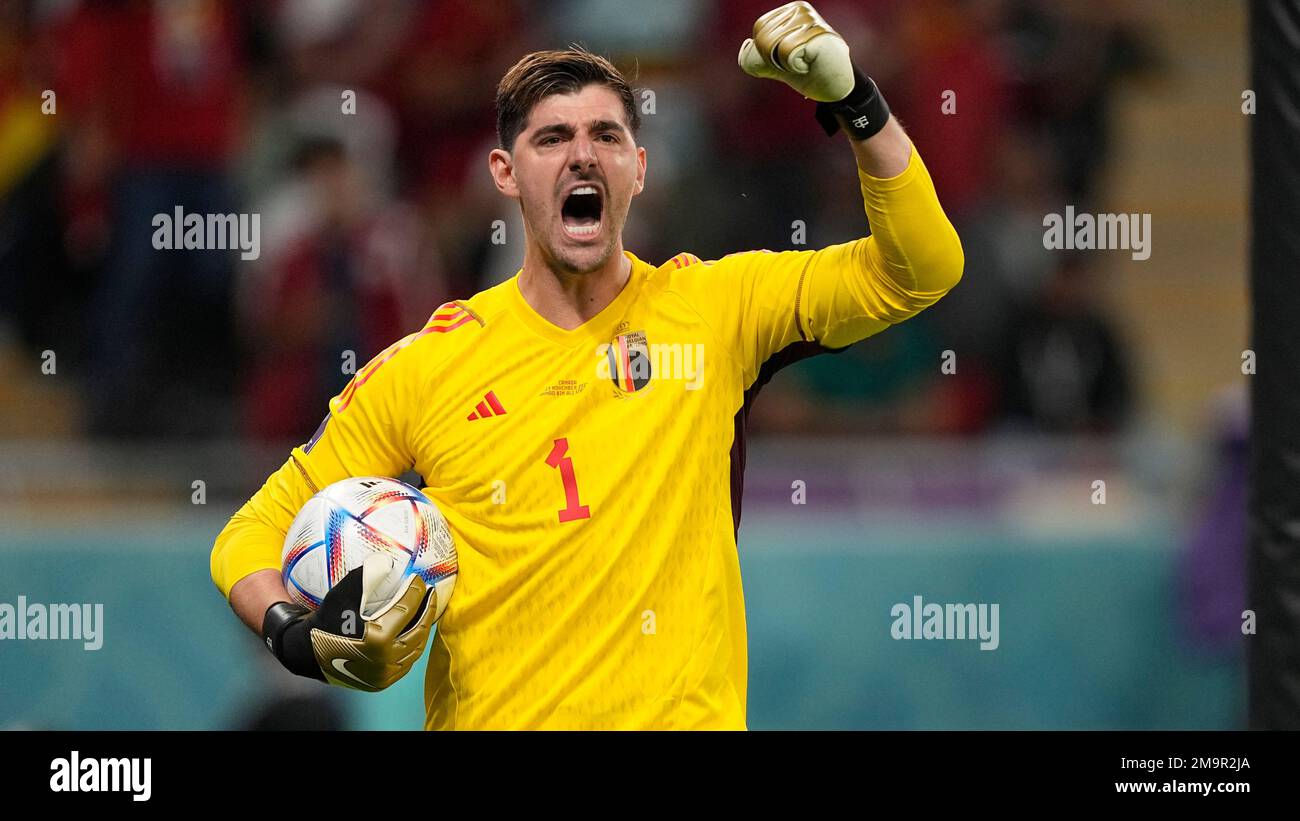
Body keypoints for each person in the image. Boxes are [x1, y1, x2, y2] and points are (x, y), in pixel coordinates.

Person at [210, 2, 963, 729]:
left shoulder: (717, 310)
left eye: (605, 135)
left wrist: (855, 102)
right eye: (551, 139)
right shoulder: (432, 363)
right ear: (505, 172)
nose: (581, 154)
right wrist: (296, 637)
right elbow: (250, 533)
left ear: (637, 169)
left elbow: (922, 269)